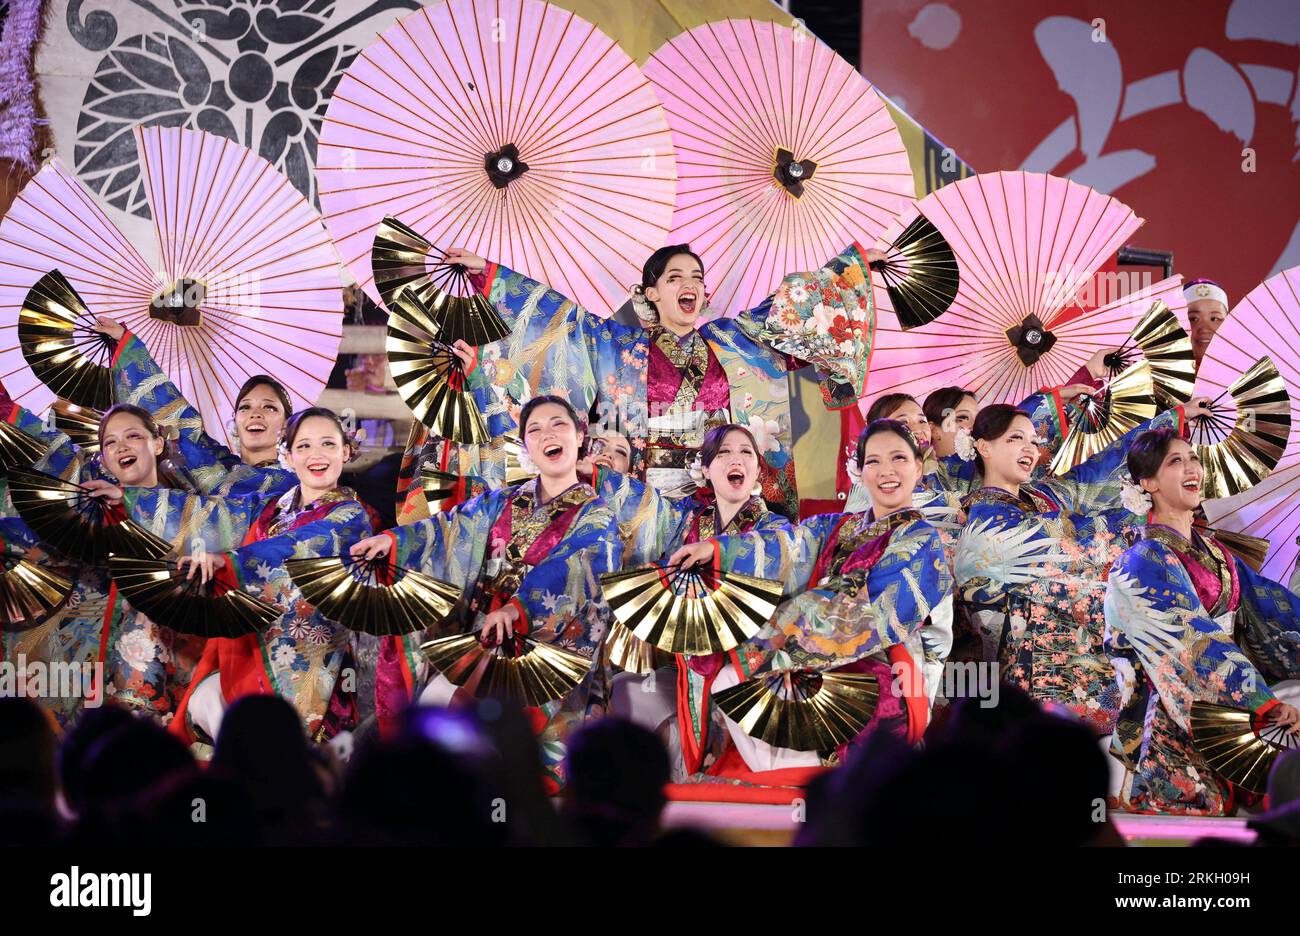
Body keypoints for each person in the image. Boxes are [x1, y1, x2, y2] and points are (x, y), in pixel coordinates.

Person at [443, 241, 881, 516]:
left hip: (721, 485)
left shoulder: (733, 338)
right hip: (644, 488)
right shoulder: (616, 343)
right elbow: (558, 324)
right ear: (651, 293)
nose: (689, 284)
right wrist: (488, 275)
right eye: (675, 278)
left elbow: (790, 313)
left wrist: (851, 270)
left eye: (697, 278)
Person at [355, 395, 619, 792]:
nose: (547, 434)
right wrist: (393, 542)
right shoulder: (501, 502)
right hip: (481, 637)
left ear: (580, 436)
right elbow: (445, 529)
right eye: (535, 430)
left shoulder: (597, 516)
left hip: (540, 647)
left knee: (504, 758)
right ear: (525, 446)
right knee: (439, 722)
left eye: (558, 425)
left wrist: (519, 610)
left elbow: (574, 567)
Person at [670, 419, 952, 781]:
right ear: (861, 471)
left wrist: (776, 650)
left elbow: (864, 611)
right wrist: (716, 550)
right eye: (874, 461)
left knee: (749, 676)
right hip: (808, 652)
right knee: (729, 679)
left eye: (898, 458)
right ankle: (787, 783)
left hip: (882, 669)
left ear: (918, 467)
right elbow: (787, 547)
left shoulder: (923, 540)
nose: (886, 471)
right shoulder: (838, 526)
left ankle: (806, 783)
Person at [84, 408, 376, 746]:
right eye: (304, 446)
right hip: (250, 642)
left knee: (282, 747)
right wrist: (129, 500)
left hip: (307, 659)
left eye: (328, 444)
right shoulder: (271, 509)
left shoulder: (351, 517)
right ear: (289, 456)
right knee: (209, 706)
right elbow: (211, 516)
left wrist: (232, 562)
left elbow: (297, 545)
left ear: (345, 452)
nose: (316, 455)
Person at [954, 397, 1203, 736]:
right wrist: (1152, 512)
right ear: (983, 446)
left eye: (1034, 441)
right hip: (1032, 675)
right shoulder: (985, 526)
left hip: (1081, 667)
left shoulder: (1042, 497)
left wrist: (1170, 425)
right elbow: (1076, 542)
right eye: (1015, 438)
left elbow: (1096, 474)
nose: (1030, 449)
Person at [1103, 428, 1300, 815]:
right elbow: (1191, 641)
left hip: (1231, 694)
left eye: (1193, 458)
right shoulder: (1140, 560)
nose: (1191, 467)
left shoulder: (1216, 553)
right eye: (1175, 461)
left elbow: (1276, 608)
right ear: (1148, 483)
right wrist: (1263, 702)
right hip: (1168, 706)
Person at [598, 424, 791, 779]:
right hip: (690, 664)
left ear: (758, 469)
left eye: (746, 452)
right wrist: (595, 476)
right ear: (705, 469)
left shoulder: (775, 527)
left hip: (748, 662)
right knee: (627, 690)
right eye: (724, 453)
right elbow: (645, 507)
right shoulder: (686, 520)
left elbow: (780, 566)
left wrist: (718, 551)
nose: (736, 459)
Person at [0, 401, 206, 727]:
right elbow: (53, 458)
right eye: (110, 442)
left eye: (133, 436)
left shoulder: (198, 509)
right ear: (105, 458)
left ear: (157, 443)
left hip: (173, 659)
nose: (121, 446)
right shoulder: (92, 507)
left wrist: (130, 503)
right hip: (97, 660)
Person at [94, 317, 297, 497]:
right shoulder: (223, 461)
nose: (255, 414)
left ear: (287, 427)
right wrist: (127, 347)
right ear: (235, 420)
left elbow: (207, 468)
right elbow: (190, 433)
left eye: (269, 407)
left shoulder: (291, 483)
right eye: (245, 407)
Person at [1182, 279, 1229, 371]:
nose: (1204, 328)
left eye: (1214, 319)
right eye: (1193, 319)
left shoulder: (1243, 372)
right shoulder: (1159, 374)